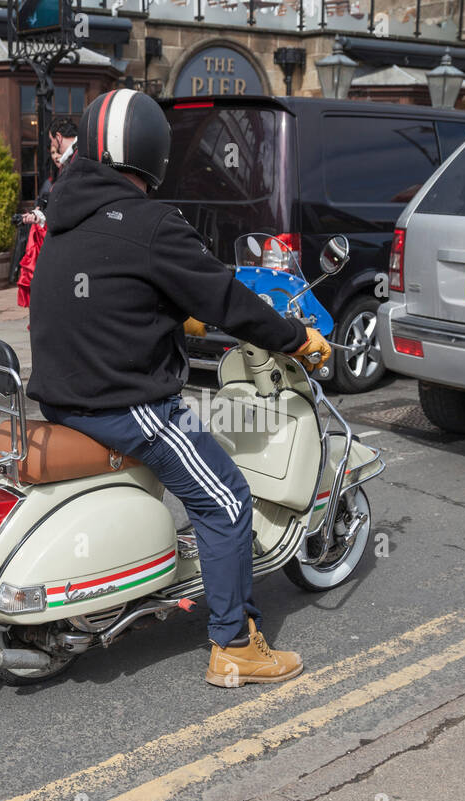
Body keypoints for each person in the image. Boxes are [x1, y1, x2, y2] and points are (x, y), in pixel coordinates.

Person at [27, 89, 330, 687]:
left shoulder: (64, 212)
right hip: (125, 402)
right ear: (152, 153)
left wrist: (173, 314)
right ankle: (235, 647)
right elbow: (225, 297)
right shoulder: (151, 221)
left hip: (63, 396)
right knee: (225, 500)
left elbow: (111, 296)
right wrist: (294, 338)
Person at [16, 117, 78, 304]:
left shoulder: (79, 158)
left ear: (58, 137)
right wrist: (40, 215)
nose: (53, 148)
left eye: (52, 141)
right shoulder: (72, 159)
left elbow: (72, 202)